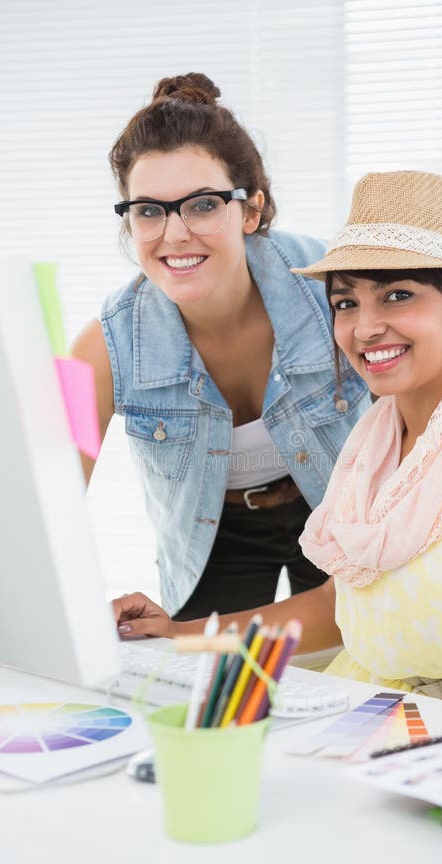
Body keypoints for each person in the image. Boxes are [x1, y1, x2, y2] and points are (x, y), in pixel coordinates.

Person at [114, 169, 442, 718]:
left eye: (397, 296)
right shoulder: (374, 439)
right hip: (370, 709)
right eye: (346, 303)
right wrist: (180, 633)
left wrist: (431, 745)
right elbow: (338, 603)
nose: (365, 329)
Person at [73, 72, 369, 621]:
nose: (175, 233)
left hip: (343, 509)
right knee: (202, 684)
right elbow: (49, 495)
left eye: (203, 205)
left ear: (251, 211)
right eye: (149, 210)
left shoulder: (334, 286)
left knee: (363, 662)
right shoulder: (101, 346)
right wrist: (75, 611)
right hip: (213, 536)